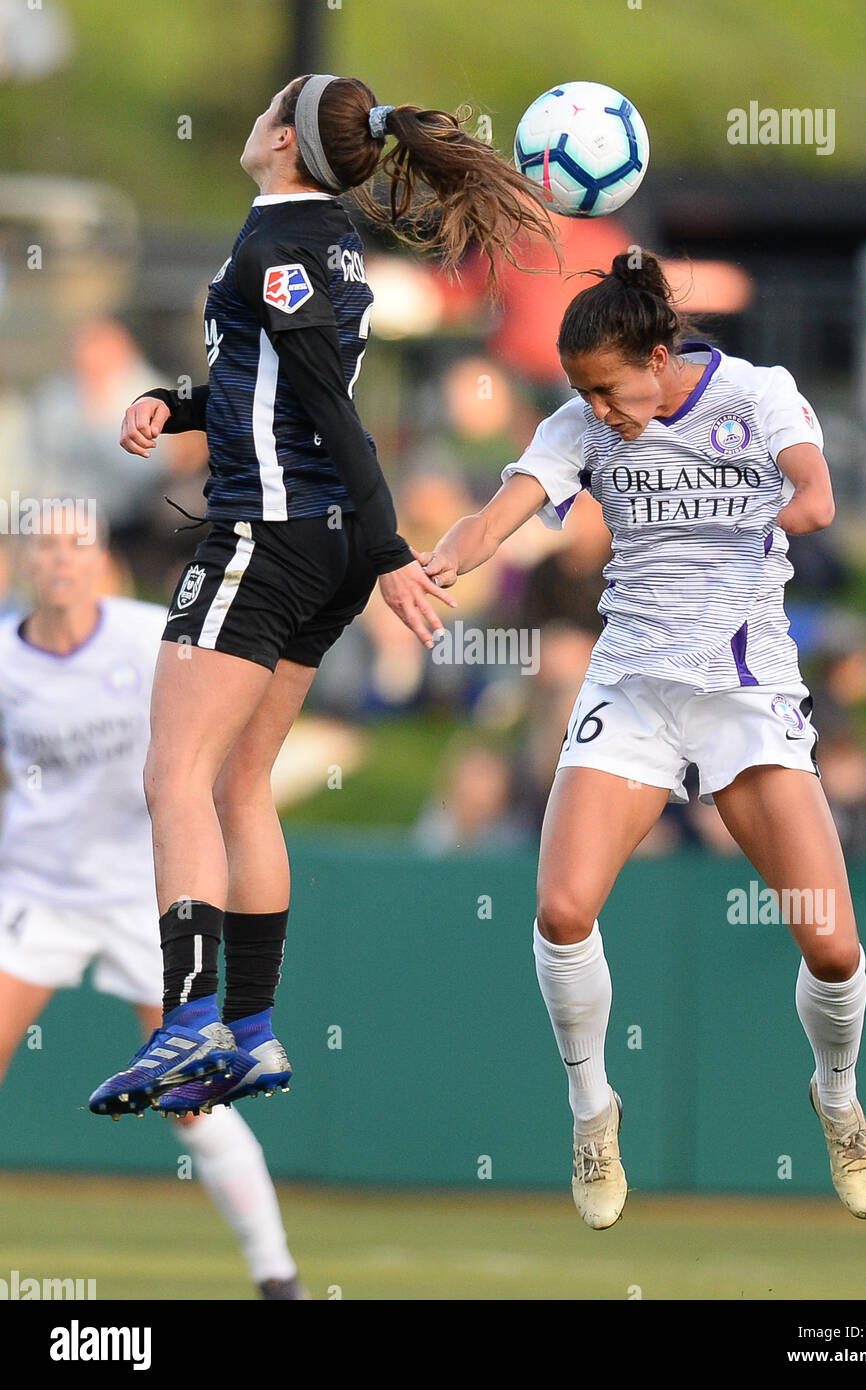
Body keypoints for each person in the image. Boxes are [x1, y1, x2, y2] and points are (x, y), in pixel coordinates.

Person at [89, 73, 558, 1118]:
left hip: (271, 533)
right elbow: (267, 386)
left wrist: (392, 547)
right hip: (319, 540)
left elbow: (322, 409)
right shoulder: (321, 238)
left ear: (286, 145)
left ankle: (187, 1019)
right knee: (240, 783)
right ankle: (250, 1031)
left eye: (266, 111)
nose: (251, 121)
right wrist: (171, 404)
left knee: (175, 774)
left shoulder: (279, 242)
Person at [416, 250, 866, 1228]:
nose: (597, 408)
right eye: (579, 391)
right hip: (630, 689)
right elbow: (501, 511)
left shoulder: (757, 395)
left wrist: (743, 505)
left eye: (608, 387)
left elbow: (816, 499)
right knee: (560, 907)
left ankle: (838, 1099)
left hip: (745, 694)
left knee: (834, 946)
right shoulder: (579, 423)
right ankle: (594, 1109)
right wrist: (444, 559)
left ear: (662, 355)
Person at [0, 530, 305, 1298]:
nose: (60, 562)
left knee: (192, 1099)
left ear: (100, 560)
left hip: (143, 889)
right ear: (21, 563)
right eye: (44, 547)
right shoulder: (5, 656)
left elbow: (220, 736)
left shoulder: (151, 638)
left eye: (75, 546)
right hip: (36, 889)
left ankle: (278, 1276)